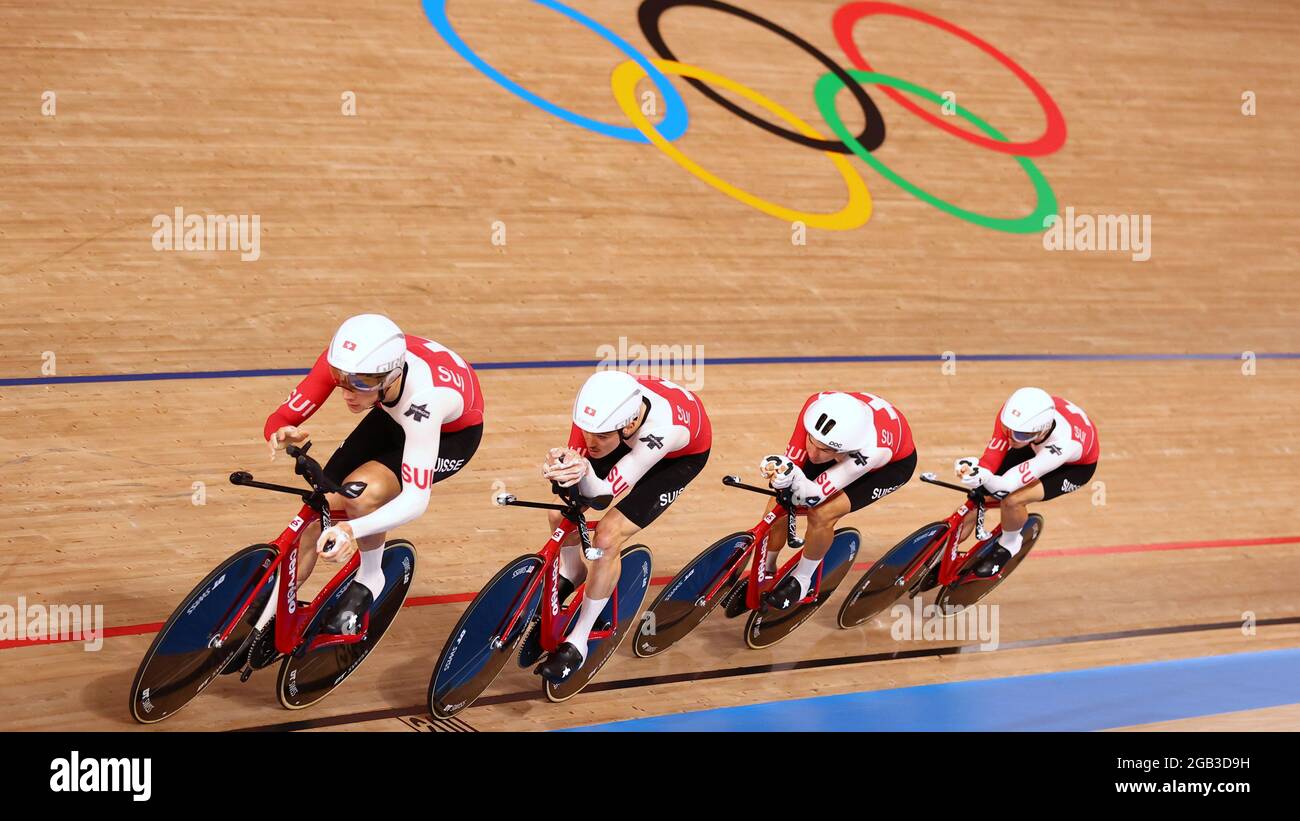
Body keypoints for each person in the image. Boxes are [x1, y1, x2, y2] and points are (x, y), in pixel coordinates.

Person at [263, 314, 483, 635]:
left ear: (390, 376)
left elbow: (415, 500)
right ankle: (269, 613)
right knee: (319, 507)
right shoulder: (349, 361)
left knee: (361, 493)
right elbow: (283, 415)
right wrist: (278, 428)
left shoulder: (425, 399)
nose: (348, 392)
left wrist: (352, 530)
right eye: (341, 379)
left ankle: (369, 579)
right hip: (390, 413)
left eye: (361, 383)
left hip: (447, 436)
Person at [535, 370, 710, 683]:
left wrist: (585, 473)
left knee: (606, 535)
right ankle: (573, 571)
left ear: (629, 424)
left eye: (600, 437)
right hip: (623, 430)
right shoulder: (599, 410)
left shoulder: (662, 430)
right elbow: (580, 461)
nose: (591, 442)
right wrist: (564, 467)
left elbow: (604, 495)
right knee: (559, 514)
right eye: (587, 432)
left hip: (678, 457)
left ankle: (579, 639)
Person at [747, 391, 917, 610]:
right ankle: (767, 569)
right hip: (844, 443)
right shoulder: (816, 406)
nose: (814, 454)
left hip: (889, 466)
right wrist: (783, 474)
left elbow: (814, 494)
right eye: (811, 441)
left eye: (824, 449)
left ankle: (803, 580)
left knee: (822, 513)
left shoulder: (873, 451)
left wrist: (797, 481)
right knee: (780, 501)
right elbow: (794, 464)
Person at [954, 386, 1099, 577]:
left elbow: (1006, 485)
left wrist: (985, 477)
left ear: (1041, 431)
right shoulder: (1012, 417)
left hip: (1073, 467)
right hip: (1036, 444)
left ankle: (1009, 544)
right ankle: (944, 549)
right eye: (1009, 430)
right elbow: (990, 460)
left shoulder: (1063, 445)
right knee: (979, 494)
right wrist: (975, 471)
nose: (1012, 438)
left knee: (1012, 500)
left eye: (1020, 434)